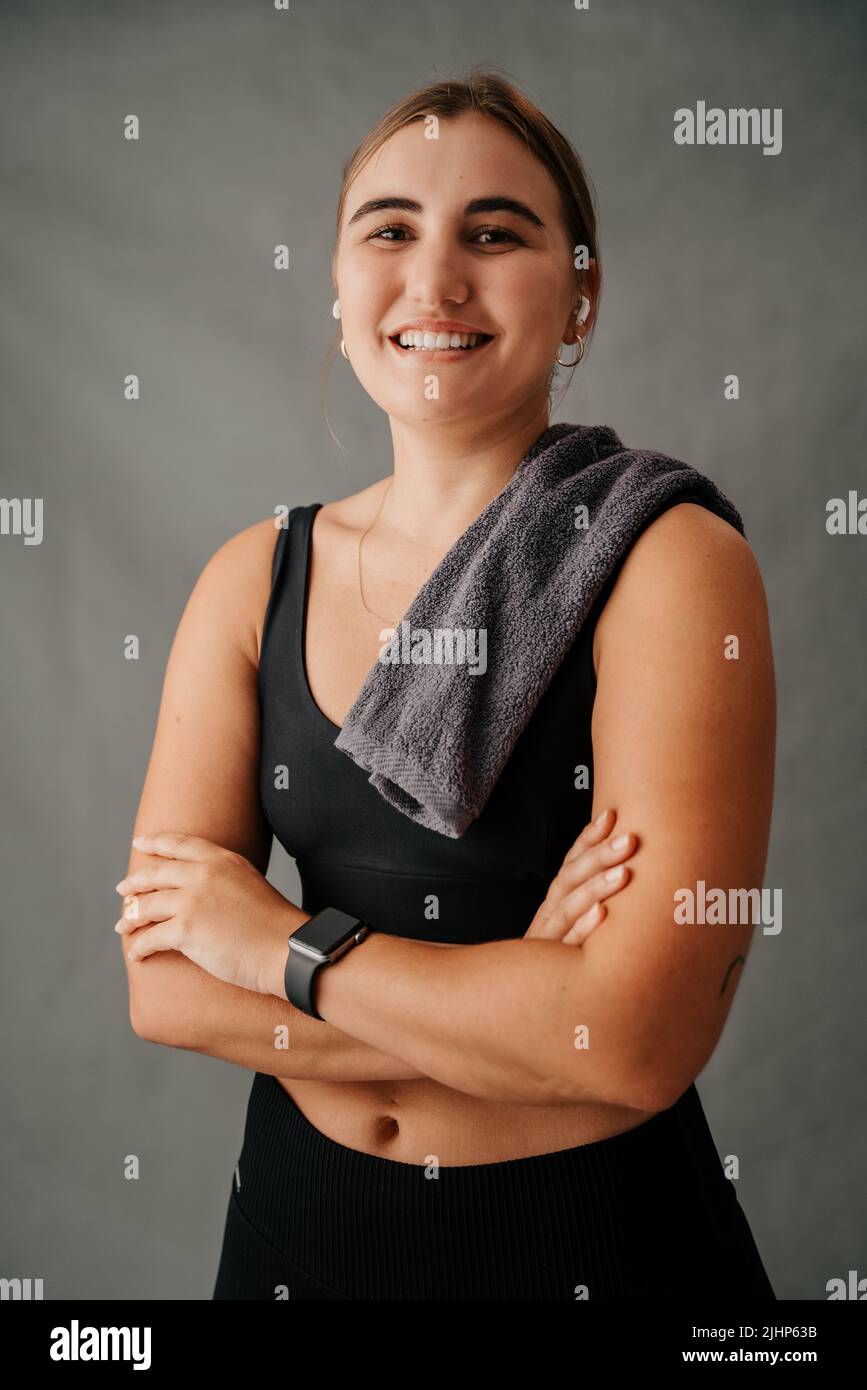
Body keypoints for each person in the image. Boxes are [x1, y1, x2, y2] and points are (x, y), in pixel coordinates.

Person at [115, 68, 777, 1300]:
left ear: (579, 296)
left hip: (594, 1245)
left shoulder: (670, 559)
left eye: (496, 231)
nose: (435, 278)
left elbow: (635, 1041)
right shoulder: (252, 578)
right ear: (338, 290)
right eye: (391, 230)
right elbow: (161, 983)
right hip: (297, 1237)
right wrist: (517, 1002)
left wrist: (275, 945)